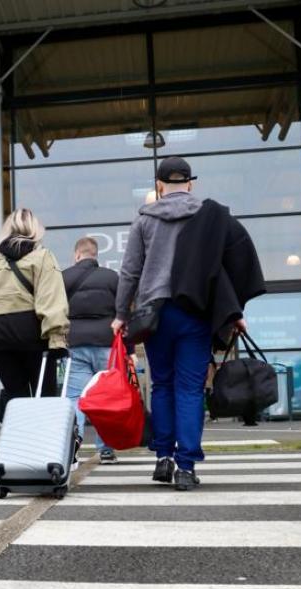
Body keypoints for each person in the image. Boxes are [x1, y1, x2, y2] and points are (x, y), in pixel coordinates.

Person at [113, 157, 265, 491]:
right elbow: (232, 263)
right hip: (195, 311)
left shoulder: (144, 220)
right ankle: (186, 466)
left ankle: (163, 457)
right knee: (190, 389)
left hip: (155, 314)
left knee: (163, 385)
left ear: (159, 186)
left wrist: (121, 314)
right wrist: (234, 310)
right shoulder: (210, 215)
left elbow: (130, 271)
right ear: (191, 184)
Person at [0, 208, 69, 424]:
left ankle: (19, 445)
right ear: (35, 228)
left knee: (16, 394)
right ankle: (44, 447)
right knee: (44, 393)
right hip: (30, 329)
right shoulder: (41, 256)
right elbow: (51, 299)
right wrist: (57, 338)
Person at [63, 237, 122, 464]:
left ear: (77, 254)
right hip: (106, 344)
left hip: (75, 343)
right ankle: (106, 449)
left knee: (74, 398)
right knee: (106, 397)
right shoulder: (111, 277)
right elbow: (123, 310)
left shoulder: (64, 277)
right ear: (95, 255)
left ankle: (71, 447)